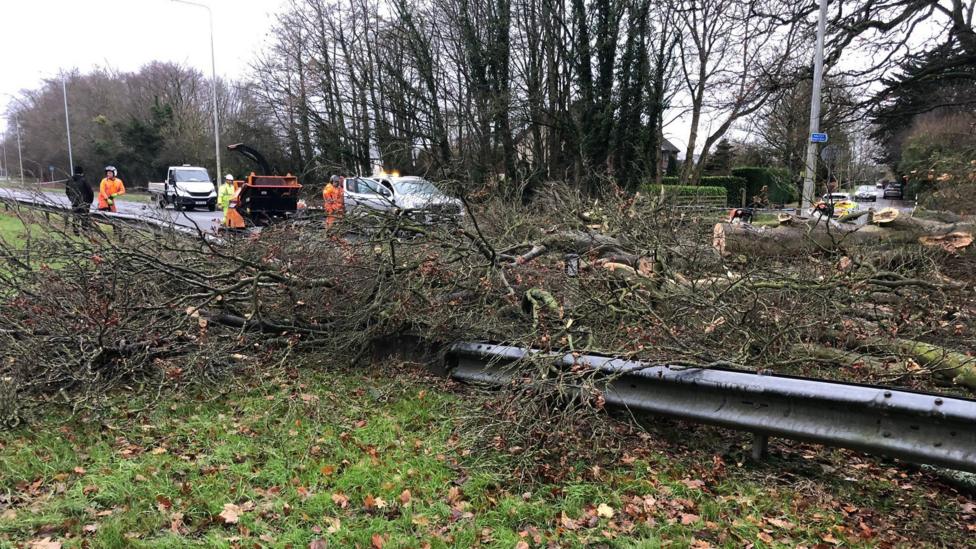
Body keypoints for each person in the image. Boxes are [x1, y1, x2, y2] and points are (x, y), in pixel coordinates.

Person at [65, 165, 94, 234]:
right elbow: (90, 192)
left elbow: (67, 191)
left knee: (75, 217)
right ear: (82, 172)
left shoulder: (69, 180)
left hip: (74, 202)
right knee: (84, 218)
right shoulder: (84, 180)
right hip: (84, 202)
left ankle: (76, 231)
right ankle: (85, 232)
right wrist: (90, 201)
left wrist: (71, 199)